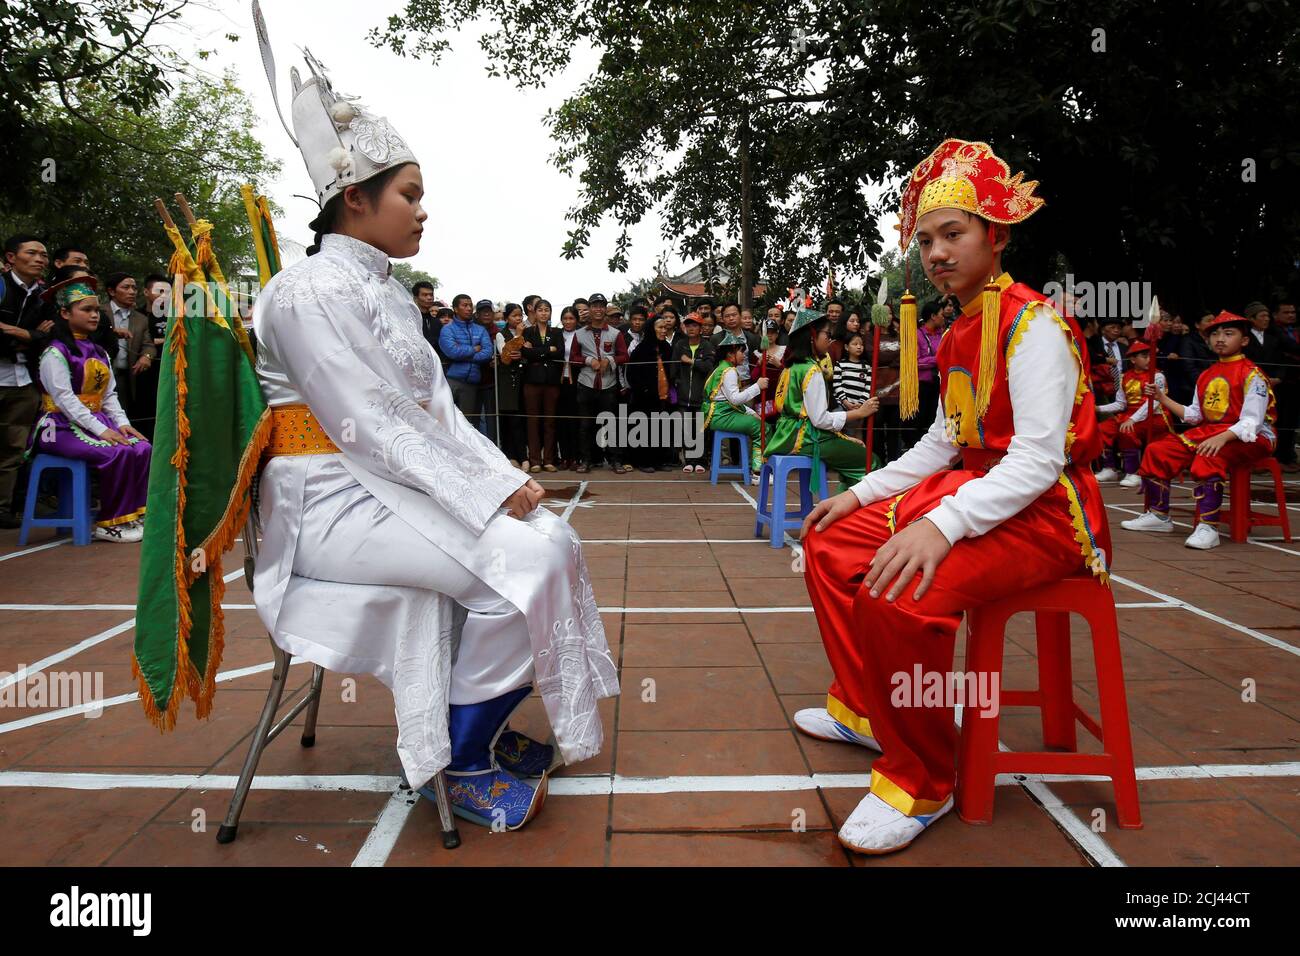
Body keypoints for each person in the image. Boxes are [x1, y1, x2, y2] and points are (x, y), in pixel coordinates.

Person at [250, 43, 617, 829]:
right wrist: (487, 494)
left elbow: (439, 417)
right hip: (330, 501)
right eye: (410, 194)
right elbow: (368, 422)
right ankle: (456, 760)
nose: (423, 209)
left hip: (391, 487)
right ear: (354, 196)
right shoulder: (305, 293)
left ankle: (473, 733)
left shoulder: (385, 295)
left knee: (554, 543)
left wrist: (500, 479)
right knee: (516, 569)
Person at [796, 139, 1109, 854]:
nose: (936, 253)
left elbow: (1036, 460)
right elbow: (943, 441)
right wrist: (861, 496)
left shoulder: (1033, 324)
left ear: (995, 236)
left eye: (953, 233)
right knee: (830, 541)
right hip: (978, 491)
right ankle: (870, 711)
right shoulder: (961, 325)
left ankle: (923, 778)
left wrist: (941, 526)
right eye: (927, 239)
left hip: (1048, 515)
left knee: (899, 589)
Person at [1121, 311, 1277, 550]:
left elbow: (1252, 422)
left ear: (1244, 341)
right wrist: (1162, 398)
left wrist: (1223, 438)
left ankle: (1208, 526)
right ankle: (1159, 516)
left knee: (1208, 455)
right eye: (1214, 334)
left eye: (1228, 333)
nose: (1220, 339)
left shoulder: (1252, 374)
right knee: (1159, 450)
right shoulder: (1206, 375)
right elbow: (1195, 415)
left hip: (1251, 437)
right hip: (1211, 432)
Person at [29, 276, 151, 541]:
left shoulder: (98, 351)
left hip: (95, 422)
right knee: (115, 452)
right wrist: (102, 430)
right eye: (86, 310)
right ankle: (110, 522)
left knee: (142, 448)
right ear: (64, 313)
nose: (95, 315)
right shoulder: (55, 351)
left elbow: (109, 395)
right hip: (59, 427)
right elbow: (65, 400)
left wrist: (121, 423)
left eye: (96, 310)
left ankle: (136, 514)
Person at [764, 310, 876, 489]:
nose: (829, 339)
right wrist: (859, 413)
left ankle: (842, 507)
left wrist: (844, 438)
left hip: (786, 434)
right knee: (871, 461)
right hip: (806, 437)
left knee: (854, 450)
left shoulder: (790, 367)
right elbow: (820, 420)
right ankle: (846, 511)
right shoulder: (812, 371)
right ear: (812, 337)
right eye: (827, 334)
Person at [0, 233, 50, 526]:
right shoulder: (2, 286)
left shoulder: (45, 297)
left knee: (14, 448)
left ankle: (4, 508)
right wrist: (30, 337)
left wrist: (22, 334)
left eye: (43, 255)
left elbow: (51, 335)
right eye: (32, 253)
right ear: (11, 257)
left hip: (23, 381)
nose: (40, 259)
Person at [1094, 341, 1172, 488]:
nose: (1149, 359)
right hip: (1130, 416)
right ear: (1133, 359)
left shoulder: (1158, 376)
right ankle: (1109, 469)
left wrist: (1131, 419)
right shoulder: (1125, 377)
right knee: (1102, 428)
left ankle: (1134, 473)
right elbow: (1121, 404)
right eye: (1145, 356)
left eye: (1151, 356)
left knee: (1127, 430)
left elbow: (1153, 403)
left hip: (1155, 416)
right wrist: (1098, 409)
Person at [573, 292, 628, 473]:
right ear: (589, 309)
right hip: (586, 383)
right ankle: (586, 460)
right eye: (594, 306)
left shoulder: (615, 333)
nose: (598, 309)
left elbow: (624, 355)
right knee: (585, 425)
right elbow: (573, 357)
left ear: (605, 309)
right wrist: (589, 361)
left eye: (601, 306)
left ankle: (615, 460)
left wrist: (609, 361)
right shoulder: (579, 334)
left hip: (608, 384)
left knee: (611, 423)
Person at [703, 333, 767, 472]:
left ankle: (757, 467)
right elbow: (735, 399)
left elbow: (731, 401)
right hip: (722, 416)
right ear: (730, 353)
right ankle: (757, 471)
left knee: (759, 422)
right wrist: (757, 386)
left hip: (720, 414)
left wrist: (751, 412)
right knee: (761, 428)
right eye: (741, 352)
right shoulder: (729, 371)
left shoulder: (722, 368)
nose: (744, 355)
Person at [101, 273, 157, 421]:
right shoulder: (99, 312)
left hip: (127, 376)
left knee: (123, 415)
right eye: (126, 287)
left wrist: (147, 356)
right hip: (101, 374)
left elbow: (149, 345)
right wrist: (112, 332)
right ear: (112, 291)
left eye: (134, 288)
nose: (132, 292)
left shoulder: (141, 319)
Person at [438, 293, 493, 435]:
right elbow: (452, 352)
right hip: (451, 380)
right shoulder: (447, 329)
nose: (469, 308)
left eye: (470, 305)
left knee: (467, 424)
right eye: (465, 305)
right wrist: (474, 349)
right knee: (444, 420)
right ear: (455, 309)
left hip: (471, 383)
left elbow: (487, 353)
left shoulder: (480, 330)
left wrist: (462, 354)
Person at [627, 314, 675, 472]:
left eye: (665, 328)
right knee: (645, 429)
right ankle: (643, 461)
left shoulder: (667, 348)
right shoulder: (640, 350)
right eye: (660, 328)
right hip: (645, 399)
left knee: (661, 429)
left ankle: (659, 461)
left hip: (664, 396)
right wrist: (644, 390)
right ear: (650, 329)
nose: (663, 331)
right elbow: (631, 375)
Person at [520, 297, 563, 472]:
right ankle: (535, 460)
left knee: (550, 421)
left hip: (551, 381)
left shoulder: (557, 332)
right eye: (540, 310)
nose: (544, 313)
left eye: (547, 310)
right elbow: (526, 353)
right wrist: (547, 350)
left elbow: (559, 352)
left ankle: (549, 460)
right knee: (533, 421)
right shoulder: (527, 331)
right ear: (534, 313)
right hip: (532, 381)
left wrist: (537, 352)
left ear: (550, 312)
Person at [670, 313, 715, 473]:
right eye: (688, 325)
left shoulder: (707, 346)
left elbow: (709, 367)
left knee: (701, 430)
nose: (691, 328)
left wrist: (691, 361)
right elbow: (673, 370)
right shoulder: (680, 345)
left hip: (701, 397)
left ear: (701, 328)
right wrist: (676, 385)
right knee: (687, 429)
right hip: (683, 397)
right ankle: (689, 460)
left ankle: (701, 461)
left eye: (695, 325)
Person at [495, 302, 527, 465]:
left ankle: (524, 456)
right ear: (507, 318)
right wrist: (518, 337)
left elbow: (529, 352)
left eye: (520, 315)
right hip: (508, 380)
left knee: (522, 420)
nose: (518, 318)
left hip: (525, 379)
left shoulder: (528, 332)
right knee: (510, 419)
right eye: (515, 315)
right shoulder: (501, 334)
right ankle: (512, 456)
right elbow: (506, 356)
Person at [911, 299, 945, 447]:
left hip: (939, 382)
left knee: (935, 418)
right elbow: (915, 362)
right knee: (920, 419)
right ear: (933, 316)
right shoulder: (917, 335)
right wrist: (938, 359)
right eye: (941, 314)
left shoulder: (942, 334)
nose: (944, 317)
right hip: (922, 383)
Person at [833, 330, 875, 443]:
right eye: (855, 344)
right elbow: (837, 384)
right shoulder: (840, 364)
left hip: (858, 407)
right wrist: (845, 402)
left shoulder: (866, 367)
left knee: (852, 433)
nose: (859, 347)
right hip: (841, 404)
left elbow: (868, 387)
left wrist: (861, 403)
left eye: (861, 344)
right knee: (837, 430)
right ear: (846, 347)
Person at [555, 305, 583, 469]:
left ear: (576, 320)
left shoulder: (581, 334)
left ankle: (576, 456)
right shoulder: (557, 334)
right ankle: (564, 456)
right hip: (559, 381)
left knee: (576, 420)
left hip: (577, 380)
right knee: (561, 420)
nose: (568, 321)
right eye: (565, 318)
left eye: (571, 318)